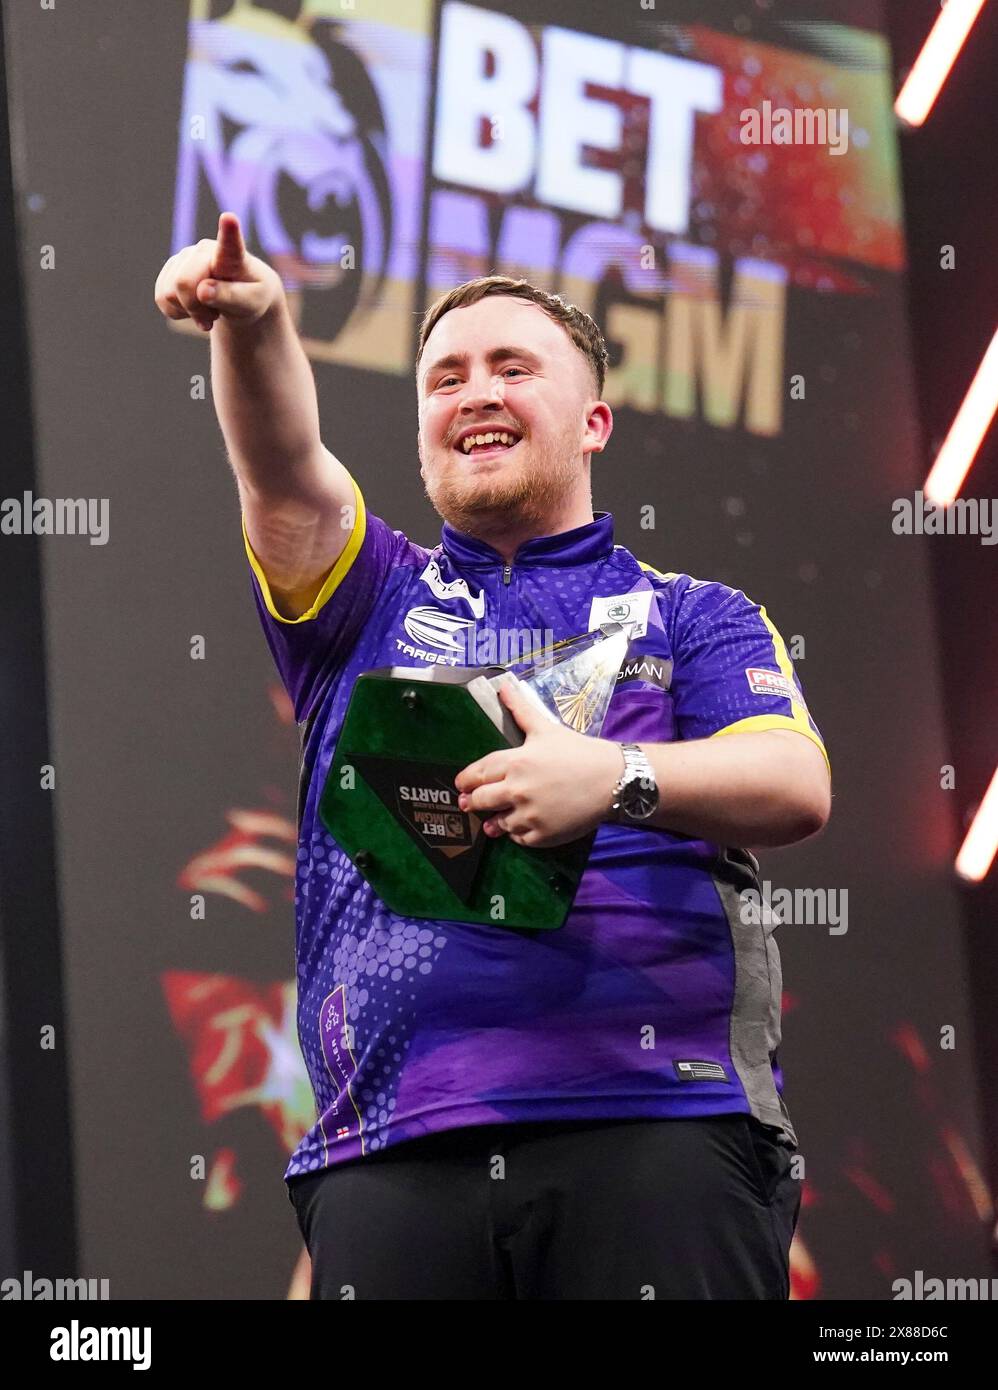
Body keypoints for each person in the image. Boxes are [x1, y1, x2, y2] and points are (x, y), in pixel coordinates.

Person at [154, 211, 831, 1300]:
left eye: (513, 367)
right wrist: (256, 320)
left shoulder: (693, 616)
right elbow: (283, 467)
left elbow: (792, 785)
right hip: (389, 1151)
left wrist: (609, 777)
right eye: (446, 378)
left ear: (593, 419)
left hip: (658, 1120)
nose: (474, 392)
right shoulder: (363, 594)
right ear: (424, 429)